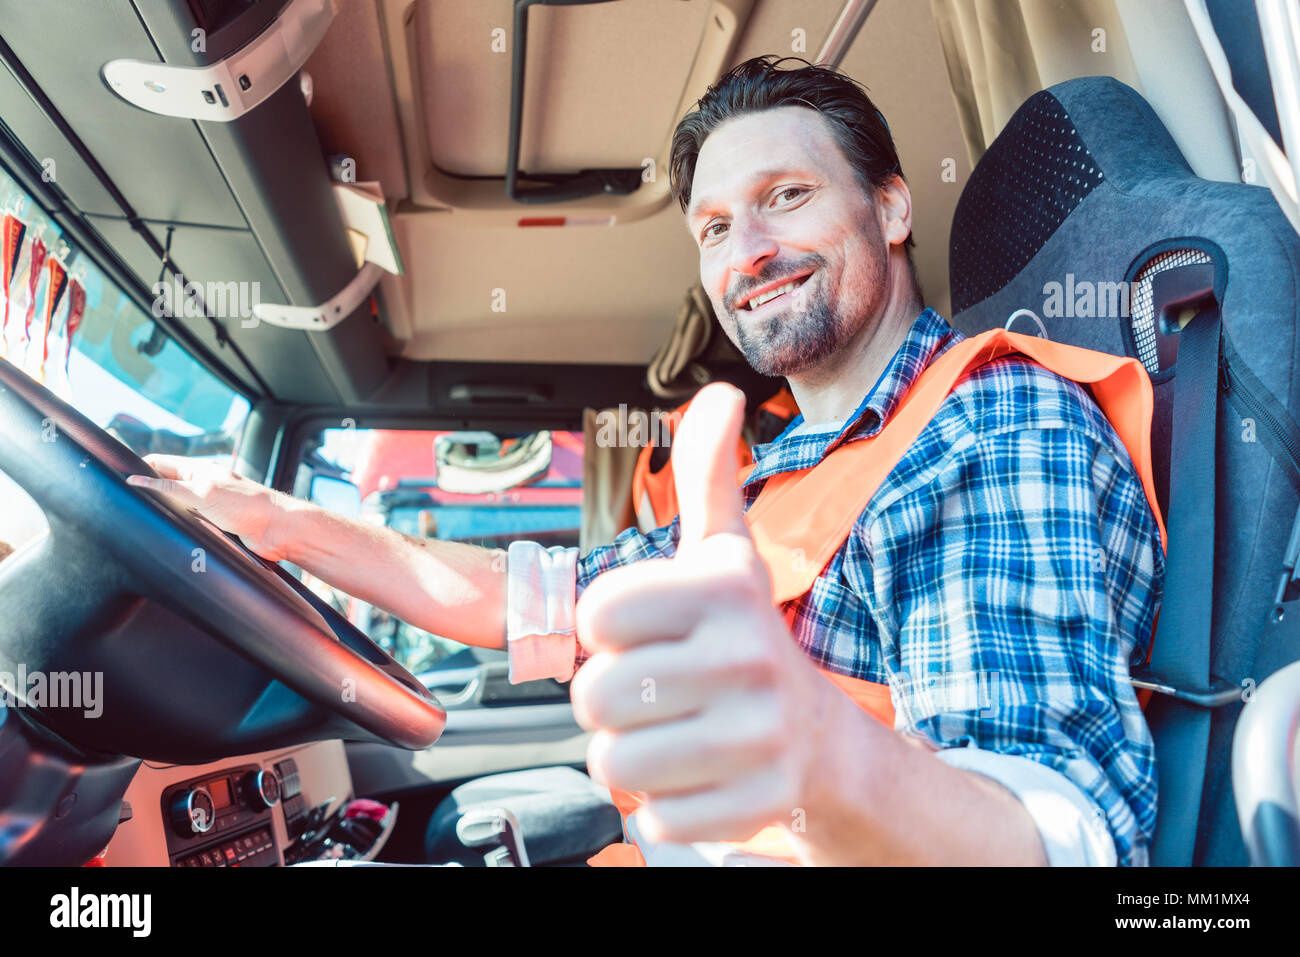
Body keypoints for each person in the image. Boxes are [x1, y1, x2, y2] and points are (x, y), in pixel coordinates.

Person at [128, 56, 1164, 867]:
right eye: (712, 227)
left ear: (891, 209)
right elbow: (524, 598)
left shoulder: (990, 428)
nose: (744, 250)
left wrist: (821, 755)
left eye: (787, 195)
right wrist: (275, 524)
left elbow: (1047, 832)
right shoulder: (781, 470)